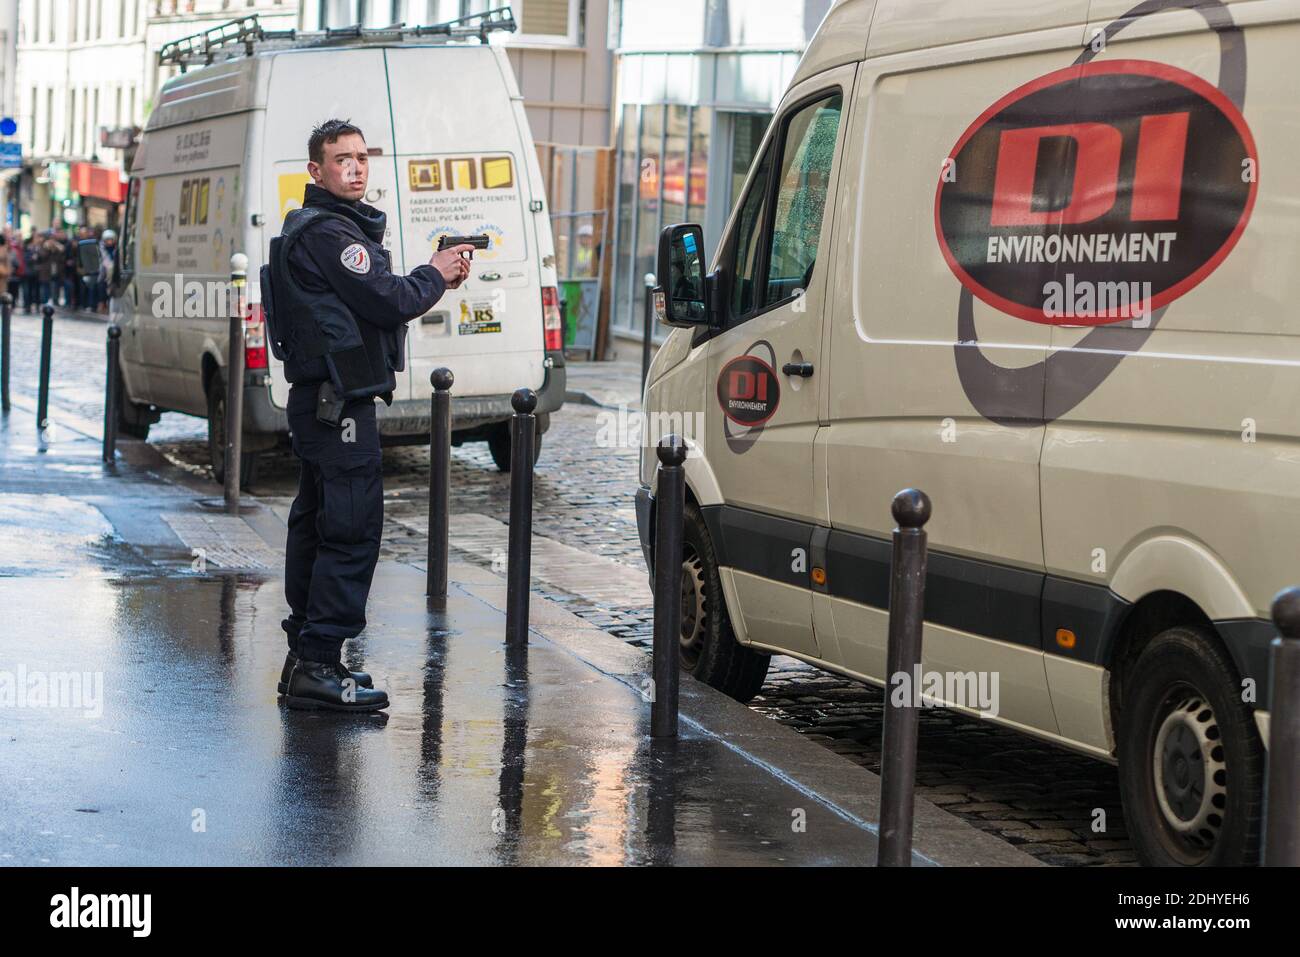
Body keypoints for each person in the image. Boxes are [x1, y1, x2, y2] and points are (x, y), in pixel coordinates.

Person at [268, 118, 470, 712]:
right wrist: (436, 272)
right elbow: (390, 298)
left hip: (324, 404)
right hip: (338, 407)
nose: (355, 168)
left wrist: (432, 275)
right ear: (316, 171)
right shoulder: (332, 234)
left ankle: (306, 658)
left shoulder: (317, 228)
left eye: (361, 157)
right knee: (351, 529)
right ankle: (321, 665)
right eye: (341, 159)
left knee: (317, 522)